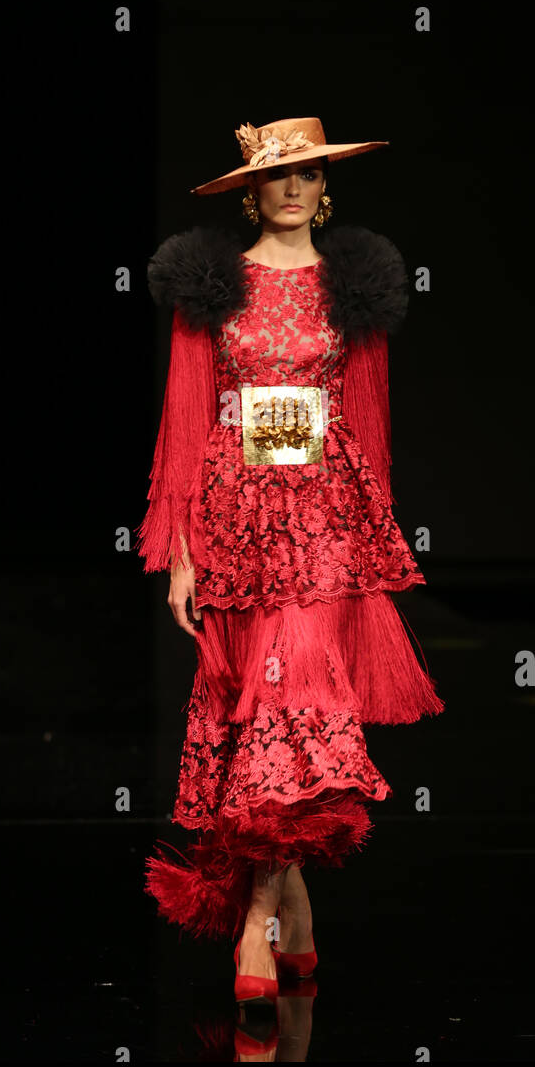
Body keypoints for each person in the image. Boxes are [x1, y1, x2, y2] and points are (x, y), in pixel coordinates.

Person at [134, 116, 443, 1005]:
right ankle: (294, 907)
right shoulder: (213, 285)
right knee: (251, 714)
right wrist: (181, 552)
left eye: (308, 172)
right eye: (278, 175)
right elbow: (187, 419)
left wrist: (369, 543)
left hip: (321, 523)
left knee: (293, 712)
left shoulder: (354, 287)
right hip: (234, 517)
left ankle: (257, 931)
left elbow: (367, 422)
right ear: (250, 193)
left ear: (324, 186)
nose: (295, 187)